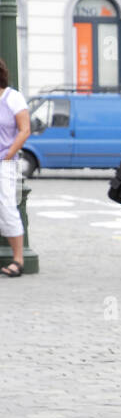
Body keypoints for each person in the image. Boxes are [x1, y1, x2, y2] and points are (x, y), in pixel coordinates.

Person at [0, 59, 31, 278]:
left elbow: (25, 129)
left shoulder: (13, 97)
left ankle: (18, 259)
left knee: (6, 206)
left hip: (4, 163)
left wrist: (9, 154)